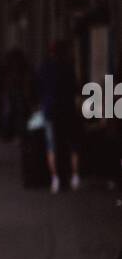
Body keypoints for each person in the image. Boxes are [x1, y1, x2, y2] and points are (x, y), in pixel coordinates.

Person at [39, 38, 81, 193]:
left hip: (50, 110)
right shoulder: (68, 67)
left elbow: (37, 87)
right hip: (68, 110)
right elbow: (76, 88)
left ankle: (55, 179)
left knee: (52, 146)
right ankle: (75, 177)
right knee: (72, 144)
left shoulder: (44, 67)